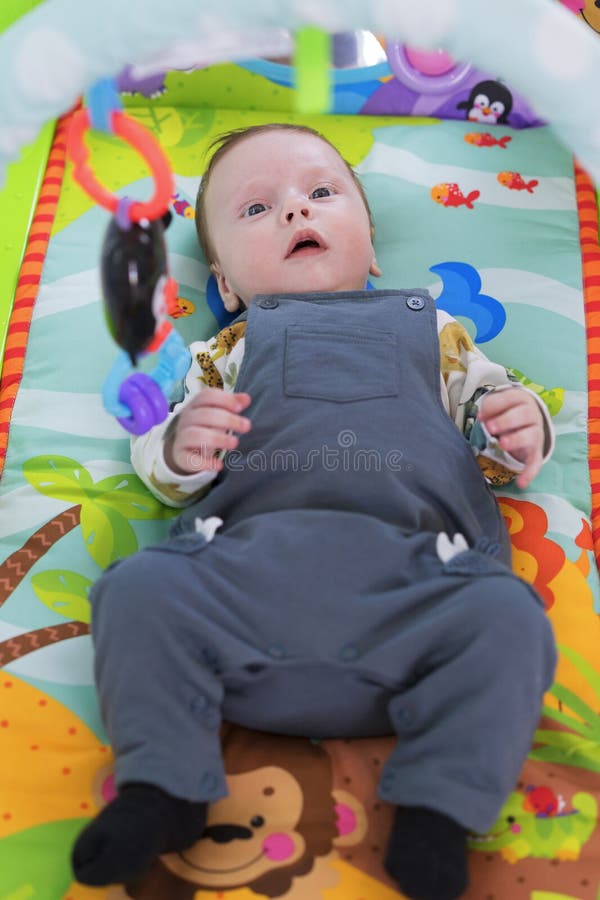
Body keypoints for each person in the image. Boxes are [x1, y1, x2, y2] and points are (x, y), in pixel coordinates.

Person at [72, 123, 557, 900]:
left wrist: (516, 420)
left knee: (510, 617)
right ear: (226, 283)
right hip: (245, 580)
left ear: (370, 250)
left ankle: (436, 807)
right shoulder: (225, 348)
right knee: (135, 589)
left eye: (321, 194)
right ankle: (163, 788)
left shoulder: (434, 333)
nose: (297, 212)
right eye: (258, 208)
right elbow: (162, 463)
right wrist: (181, 448)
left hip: (414, 587)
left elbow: (494, 422)